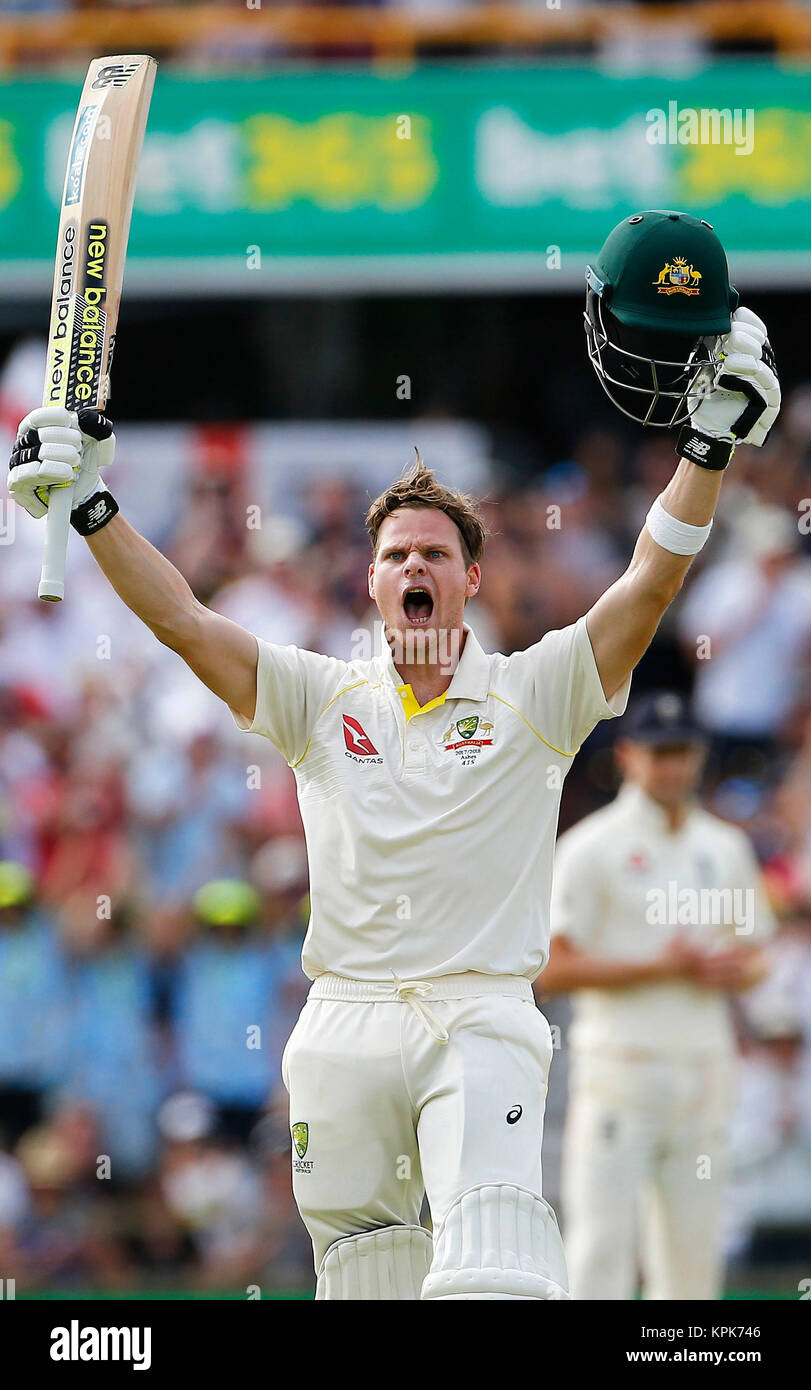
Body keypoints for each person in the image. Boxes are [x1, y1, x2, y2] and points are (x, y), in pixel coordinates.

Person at [7, 210, 781, 1299]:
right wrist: (90, 509)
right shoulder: (319, 696)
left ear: (469, 579)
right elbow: (184, 620)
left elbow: (648, 584)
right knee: (364, 1281)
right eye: (394, 554)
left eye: (435, 552)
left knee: (492, 1268)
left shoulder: (535, 691)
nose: (414, 565)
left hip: (479, 1017)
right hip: (343, 1025)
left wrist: (707, 448)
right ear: (370, 583)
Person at [541, 692, 775, 1299]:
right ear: (627, 756)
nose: (673, 767)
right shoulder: (591, 847)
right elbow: (551, 968)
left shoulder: (723, 847)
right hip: (621, 1071)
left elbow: (756, 958)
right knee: (601, 1249)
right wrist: (659, 968)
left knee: (693, 1256)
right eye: (660, 753)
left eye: (684, 753)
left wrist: (727, 970)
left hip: (703, 1071)